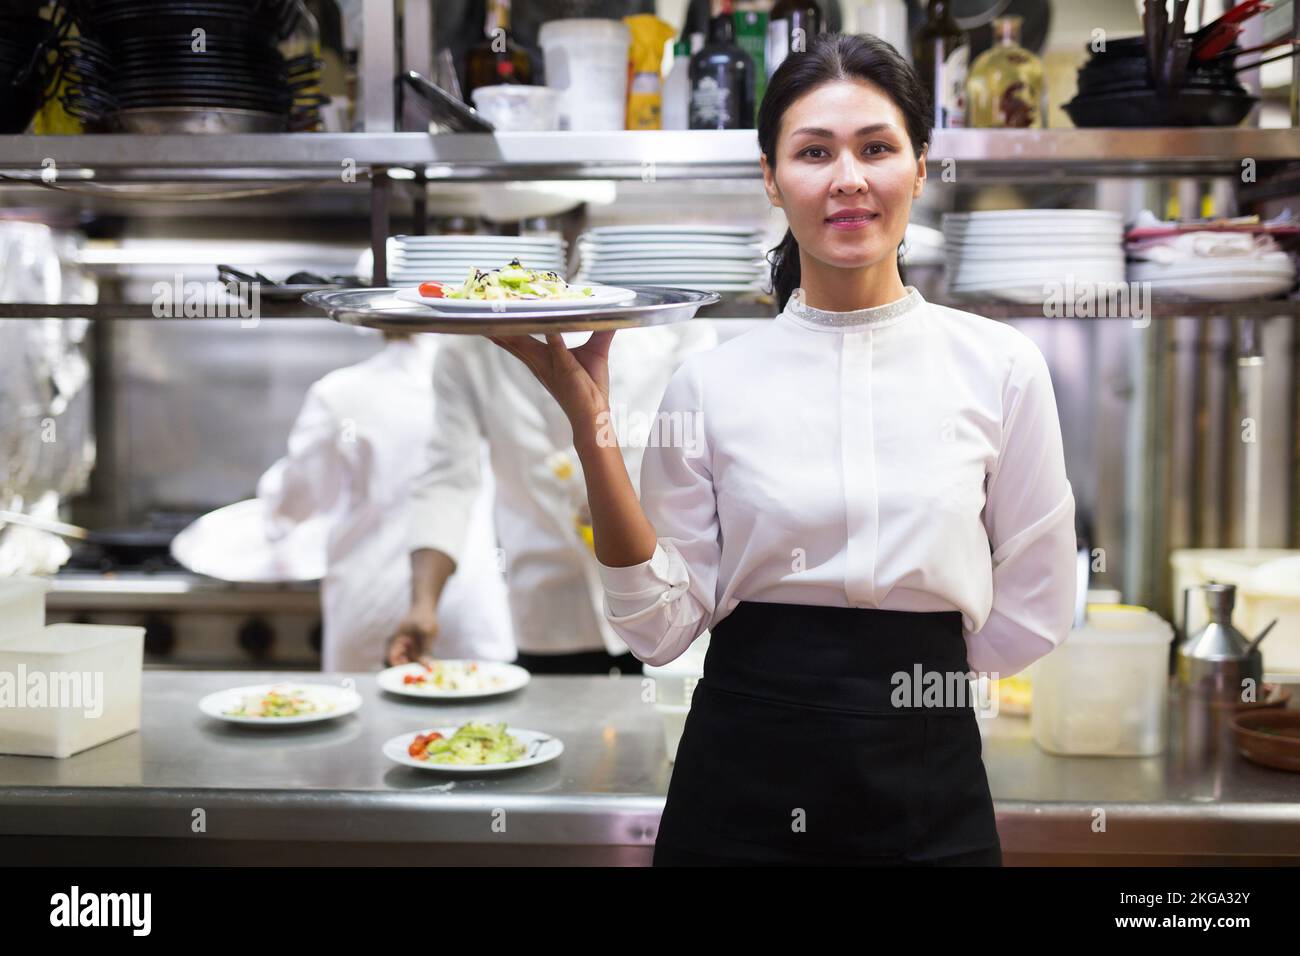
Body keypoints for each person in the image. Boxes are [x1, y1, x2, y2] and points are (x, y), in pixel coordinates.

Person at [485, 32, 1077, 865]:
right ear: (771, 177)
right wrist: (594, 429)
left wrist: (911, 681)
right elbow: (659, 628)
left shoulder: (1002, 366)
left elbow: (1038, 597)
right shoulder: (710, 382)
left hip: (929, 775)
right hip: (742, 776)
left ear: (919, 165)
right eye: (813, 151)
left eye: (876, 147)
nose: (848, 178)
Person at [389, 323, 717, 674]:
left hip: (664, 598)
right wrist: (423, 603)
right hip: (550, 613)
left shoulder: (669, 327)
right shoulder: (467, 350)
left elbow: (698, 464)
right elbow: (448, 481)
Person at [259, 331, 514, 672]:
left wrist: (273, 513)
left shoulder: (339, 393)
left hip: (370, 603)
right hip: (472, 604)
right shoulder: (480, 378)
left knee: (370, 721)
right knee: (483, 721)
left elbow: (299, 499)